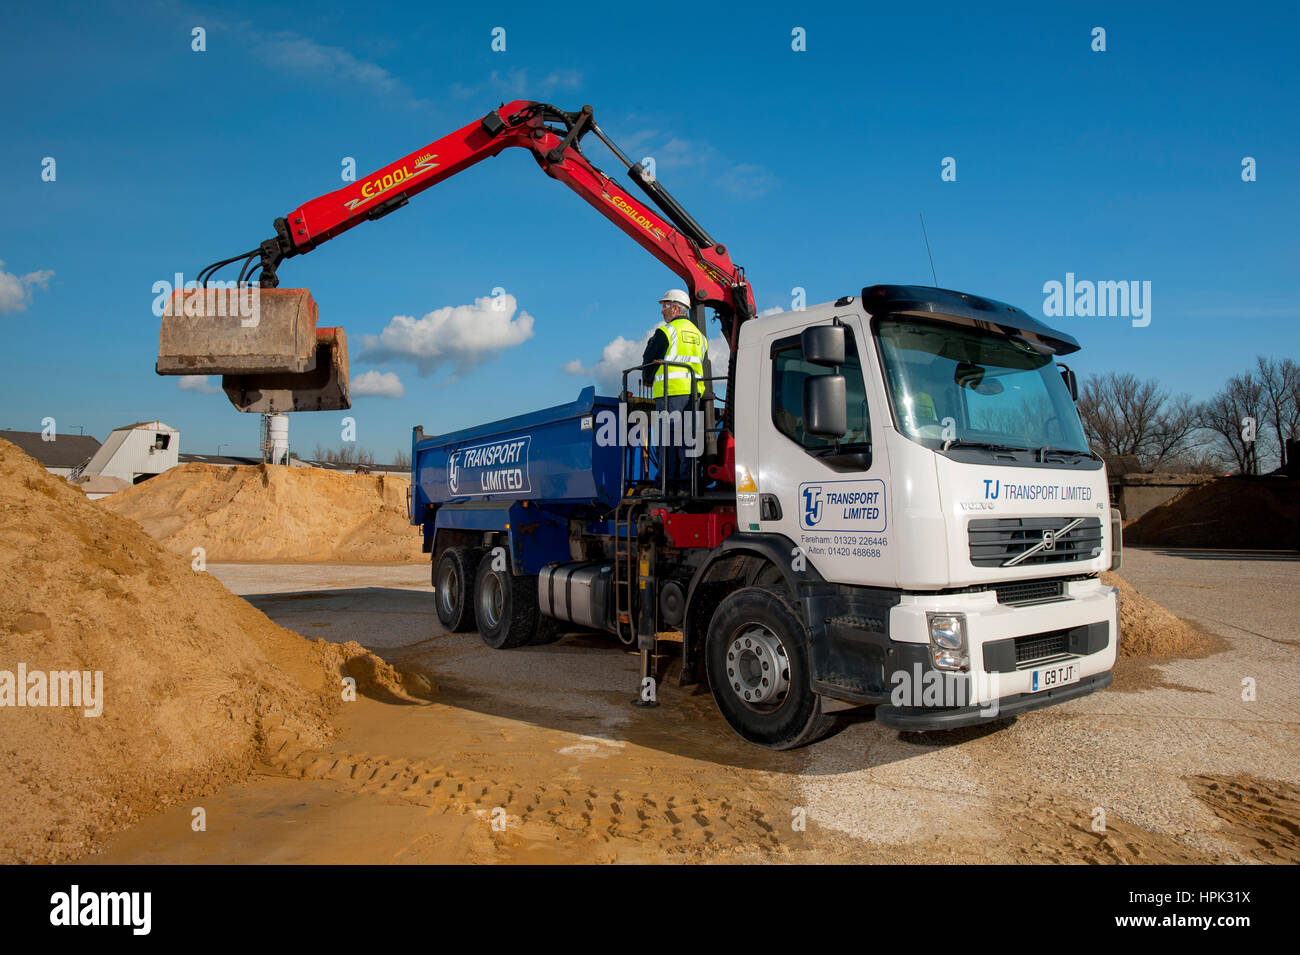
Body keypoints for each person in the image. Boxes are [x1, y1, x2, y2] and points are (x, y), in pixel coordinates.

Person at [640, 289, 707, 491]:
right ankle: (688, 484)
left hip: (671, 392)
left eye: (665, 306)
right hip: (694, 394)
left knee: (666, 439)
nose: (662, 312)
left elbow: (649, 360)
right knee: (688, 440)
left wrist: (648, 378)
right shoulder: (700, 336)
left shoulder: (666, 332)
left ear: (676, 308)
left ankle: (665, 486)